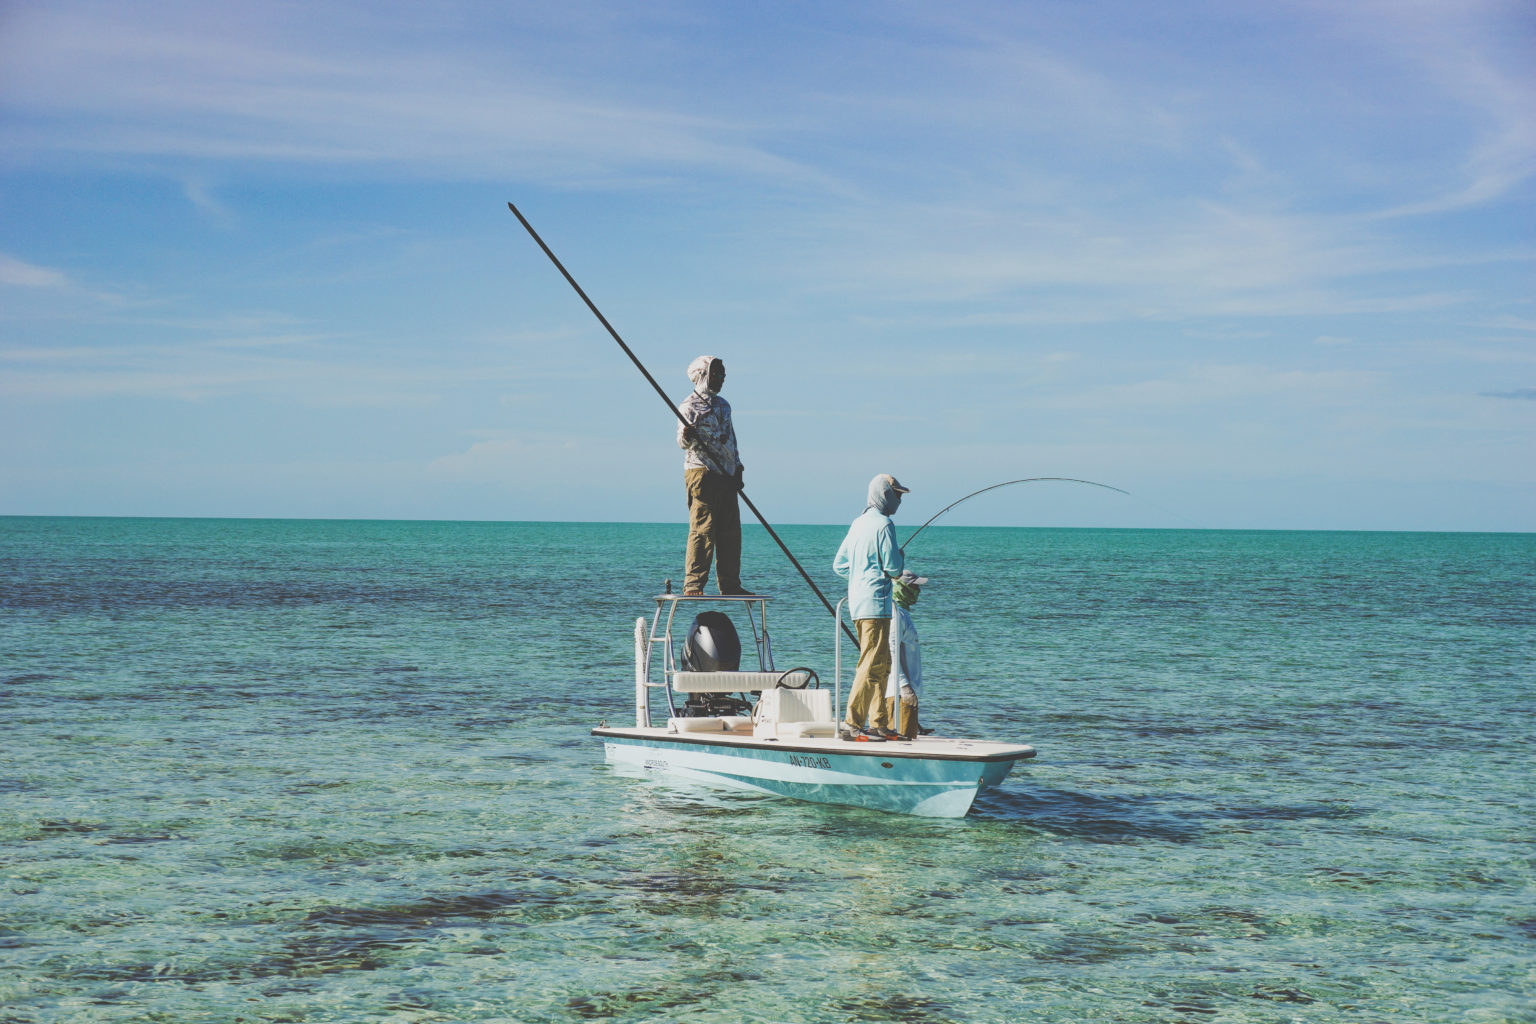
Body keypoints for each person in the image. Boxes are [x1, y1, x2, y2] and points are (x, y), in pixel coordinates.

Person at [833, 473, 909, 741]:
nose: (899, 500)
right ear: (884, 494)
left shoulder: (857, 524)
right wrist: (899, 556)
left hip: (858, 603)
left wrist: (861, 575)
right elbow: (894, 568)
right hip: (876, 604)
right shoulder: (884, 525)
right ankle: (851, 723)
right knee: (870, 664)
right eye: (896, 494)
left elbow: (839, 564)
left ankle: (879, 723)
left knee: (882, 663)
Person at [676, 355, 747, 597]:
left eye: (722, 374)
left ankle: (730, 584)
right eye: (716, 373)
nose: (721, 378)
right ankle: (694, 584)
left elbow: (732, 438)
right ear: (703, 375)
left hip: (726, 474)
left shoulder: (724, 405)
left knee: (730, 531)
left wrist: (737, 466)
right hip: (702, 472)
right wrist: (687, 434)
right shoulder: (688, 407)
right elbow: (682, 442)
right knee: (703, 530)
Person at [885, 570, 930, 740]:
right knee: (902, 742)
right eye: (914, 586)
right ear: (902, 587)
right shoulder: (896, 614)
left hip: (906, 693)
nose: (918, 591)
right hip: (899, 694)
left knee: (908, 739)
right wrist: (904, 686)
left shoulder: (902, 612)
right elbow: (891, 649)